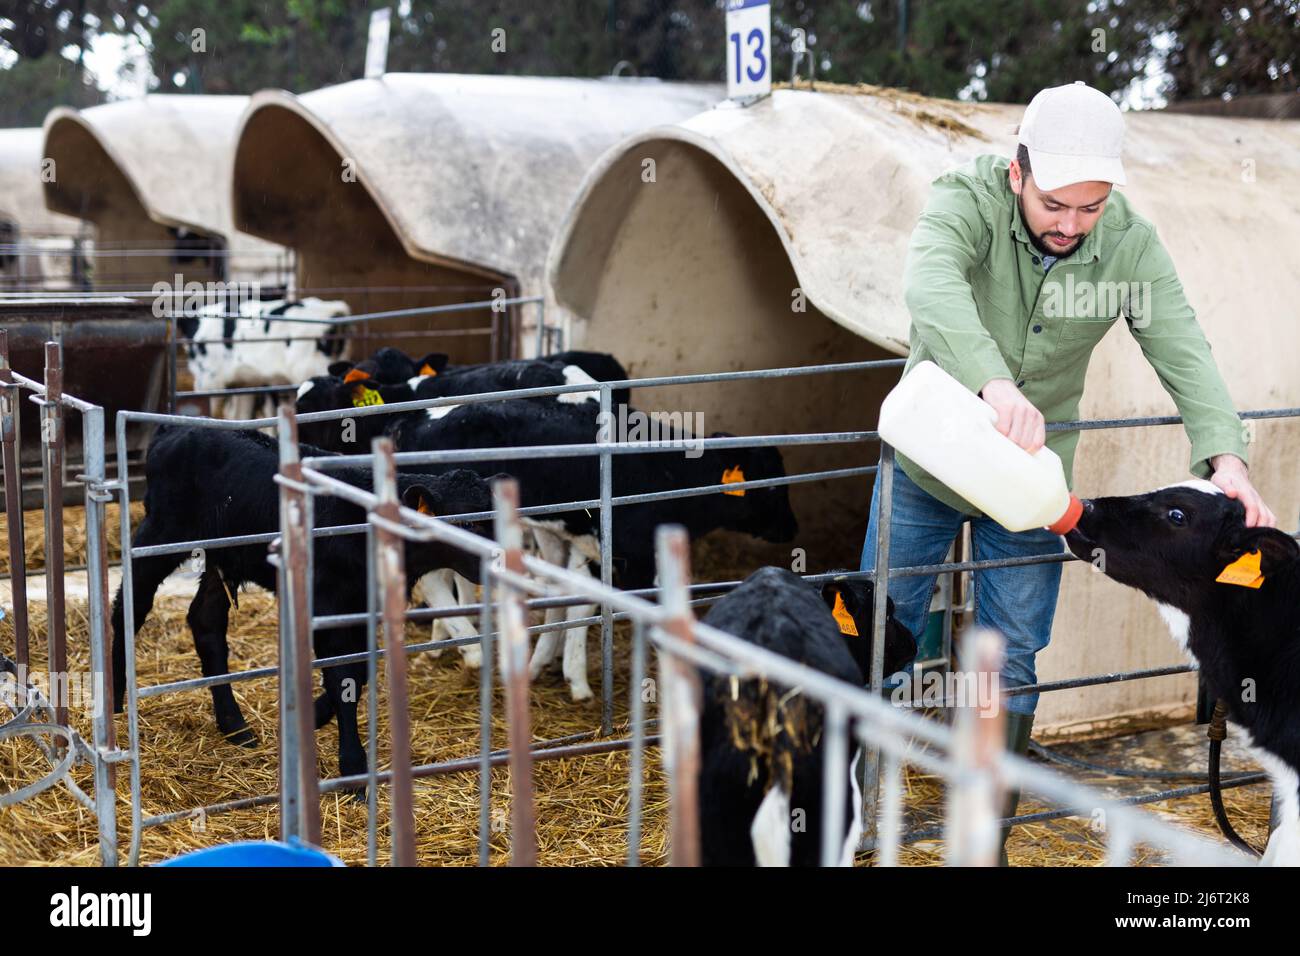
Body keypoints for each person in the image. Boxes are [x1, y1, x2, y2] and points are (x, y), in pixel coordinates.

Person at [860, 81, 1276, 864]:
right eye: (1056, 205)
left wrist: (1227, 458)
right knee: (884, 625)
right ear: (1017, 174)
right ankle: (852, 802)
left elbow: (1181, 344)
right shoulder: (967, 202)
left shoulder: (1128, 245)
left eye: (1090, 208)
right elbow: (931, 283)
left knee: (1013, 650)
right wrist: (994, 382)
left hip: (1028, 483)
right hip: (930, 457)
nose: (1072, 225)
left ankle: (985, 832)